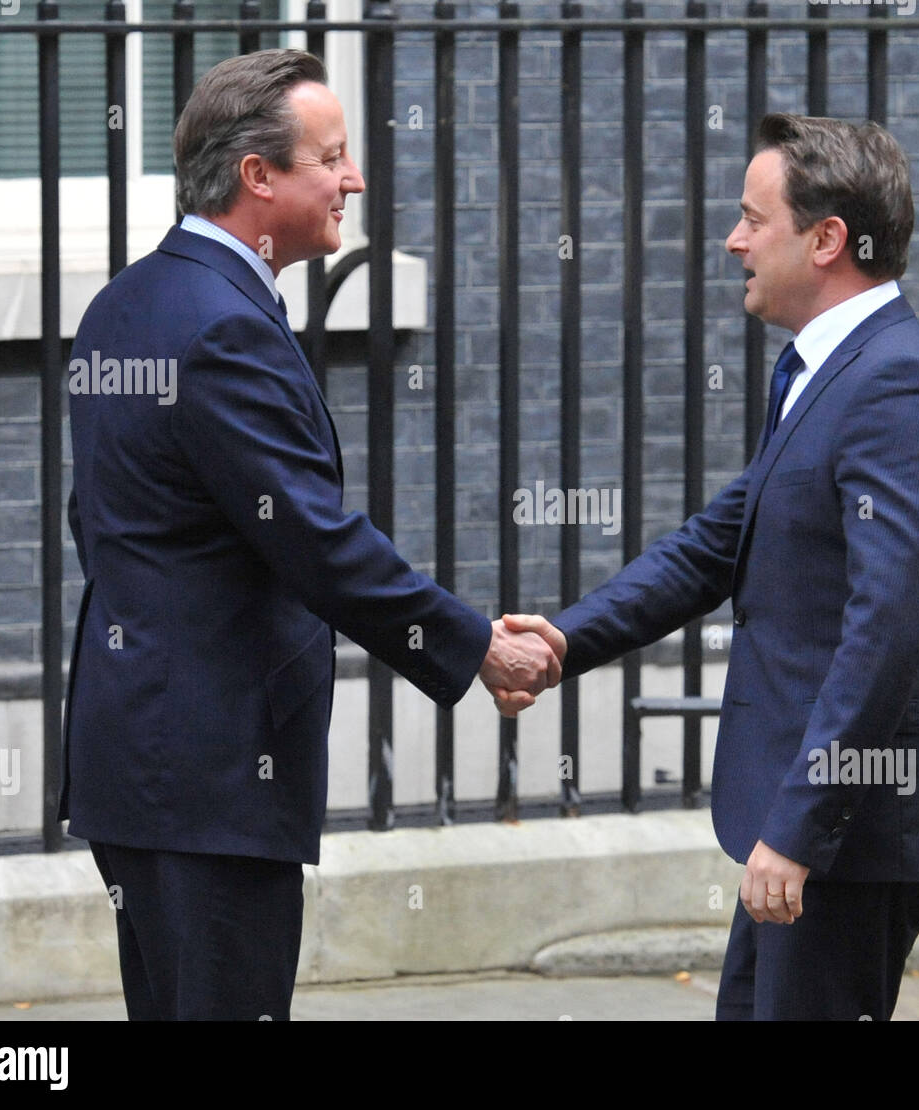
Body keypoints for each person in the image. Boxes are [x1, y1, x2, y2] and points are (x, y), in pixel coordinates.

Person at [61, 49, 558, 1020]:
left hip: (141, 757)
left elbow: (103, 521)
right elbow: (315, 541)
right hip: (214, 773)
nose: (354, 178)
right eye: (330, 157)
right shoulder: (223, 328)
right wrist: (474, 648)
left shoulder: (123, 304)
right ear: (258, 177)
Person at [503, 113, 919, 1021]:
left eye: (751, 219)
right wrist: (567, 638)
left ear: (826, 240)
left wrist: (803, 829)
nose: (733, 240)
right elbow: (717, 542)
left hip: (853, 832)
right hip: (816, 824)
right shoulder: (826, 369)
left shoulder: (898, 387)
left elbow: (885, 630)